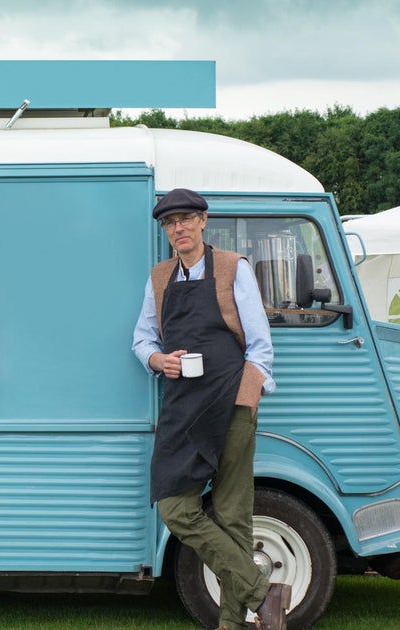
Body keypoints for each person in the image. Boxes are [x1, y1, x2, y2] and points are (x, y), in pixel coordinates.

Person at [130, 188, 287, 630]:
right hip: (182, 407)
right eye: (169, 223)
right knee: (175, 509)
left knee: (234, 516)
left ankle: (231, 623)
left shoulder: (234, 269)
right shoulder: (160, 277)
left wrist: (248, 397)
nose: (177, 228)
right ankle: (262, 592)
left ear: (202, 222)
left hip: (231, 404)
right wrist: (158, 361)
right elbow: (142, 339)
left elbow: (259, 347)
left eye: (184, 219)